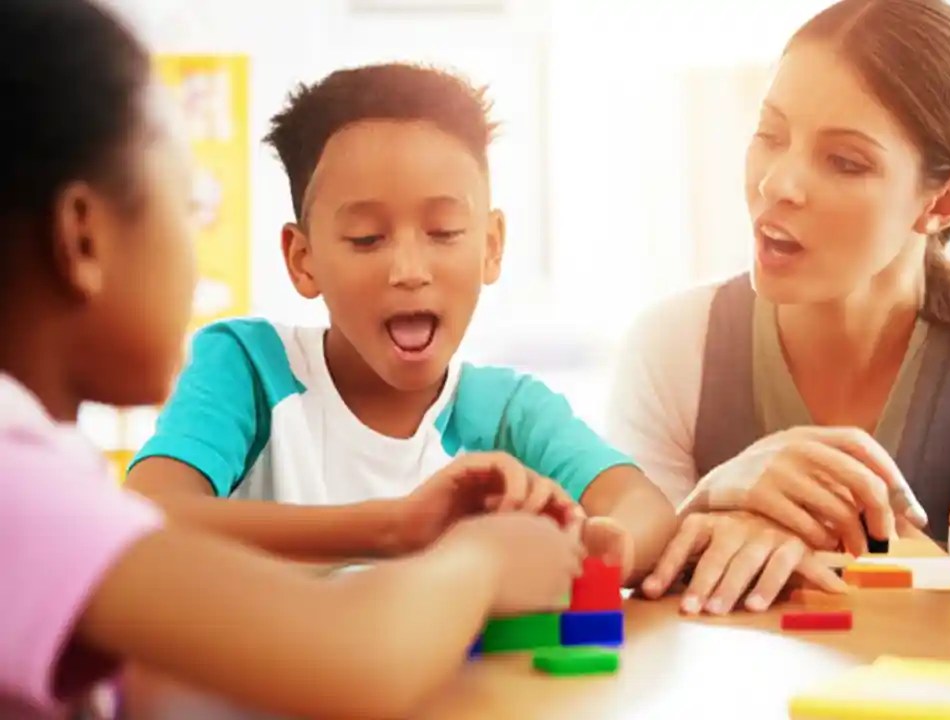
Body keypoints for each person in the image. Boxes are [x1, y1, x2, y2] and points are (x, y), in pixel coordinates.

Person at [0, 2, 587, 718]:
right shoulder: (15, 489)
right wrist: (485, 559)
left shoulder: (37, 473)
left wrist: (401, 532)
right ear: (83, 240)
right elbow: (358, 658)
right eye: (187, 208)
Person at [608, 0, 950, 615]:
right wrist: (721, 492)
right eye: (770, 135)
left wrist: (793, 532)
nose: (777, 183)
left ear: (942, 203)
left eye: (845, 162)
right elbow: (635, 592)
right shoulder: (673, 344)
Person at [125, 63, 678, 583]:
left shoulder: (508, 412)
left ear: (491, 246)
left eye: (444, 232)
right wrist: (392, 528)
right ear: (302, 259)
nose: (409, 271)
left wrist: (604, 549)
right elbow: (145, 517)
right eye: (367, 238)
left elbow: (642, 507)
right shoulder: (249, 369)